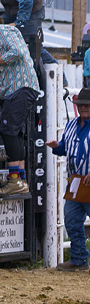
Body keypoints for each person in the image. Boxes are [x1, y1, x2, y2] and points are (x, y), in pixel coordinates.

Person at [45, 88, 90, 272]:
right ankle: (79, 258)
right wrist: (57, 146)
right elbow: (65, 148)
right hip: (76, 180)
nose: (83, 108)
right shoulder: (71, 125)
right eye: (80, 105)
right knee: (72, 219)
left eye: (86, 105)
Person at [0, 24, 42, 197]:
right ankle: (20, 179)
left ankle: (14, 179)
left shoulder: (3, 31)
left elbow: (17, 51)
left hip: (19, 88)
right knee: (15, 133)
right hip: (21, 88)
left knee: (8, 131)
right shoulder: (8, 31)